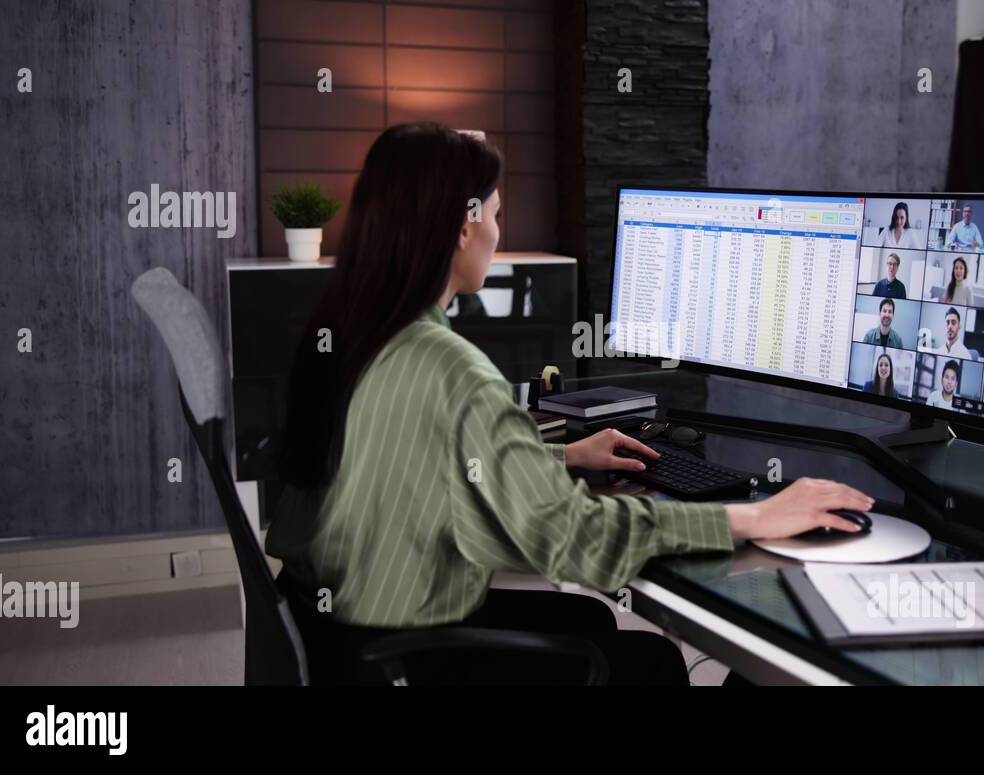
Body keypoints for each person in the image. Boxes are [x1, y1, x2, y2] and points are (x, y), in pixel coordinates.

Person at [266, 123, 875, 685]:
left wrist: (558, 456)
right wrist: (750, 518)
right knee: (651, 662)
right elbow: (573, 538)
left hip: (338, 631)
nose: (500, 233)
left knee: (596, 625)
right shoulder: (450, 369)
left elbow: (415, 463)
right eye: (498, 215)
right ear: (463, 226)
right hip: (405, 648)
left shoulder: (350, 331)